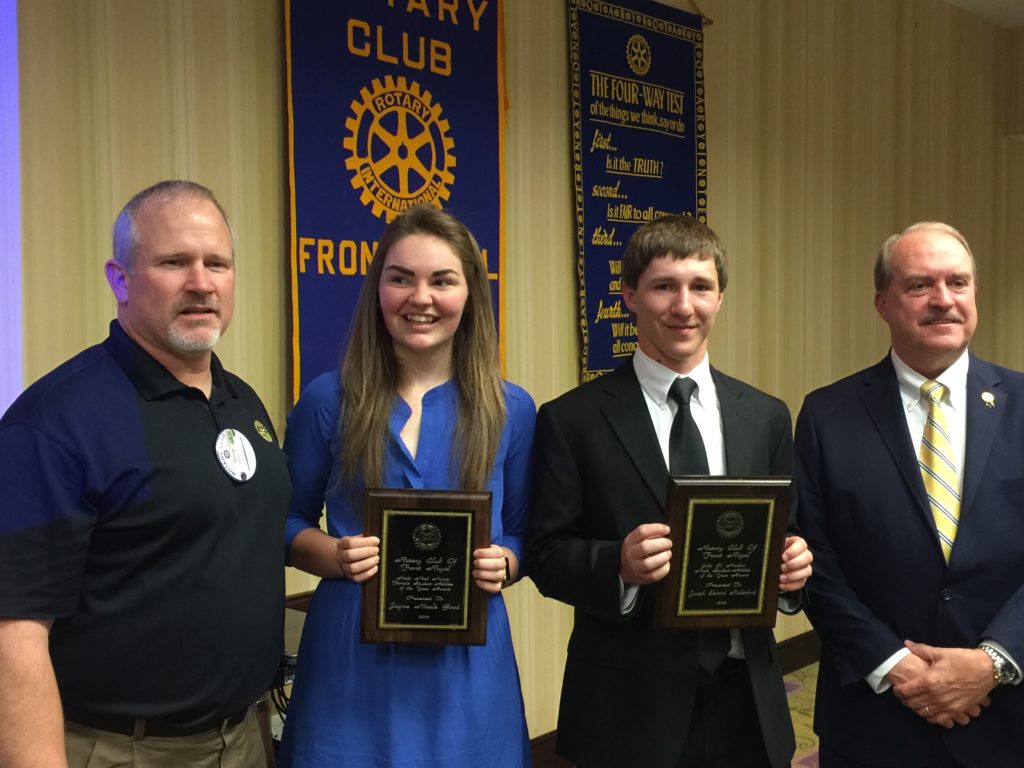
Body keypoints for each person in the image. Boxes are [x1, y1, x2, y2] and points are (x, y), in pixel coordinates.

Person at [0, 180, 290, 768]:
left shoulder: (242, 403)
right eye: (173, 262)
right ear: (120, 278)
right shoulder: (55, 422)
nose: (201, 282)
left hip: (245, 739)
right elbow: (14, 631)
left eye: (217, 264)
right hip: (121, 750)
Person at [527, 214, 813, 768]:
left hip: (746, 694)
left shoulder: (767, 416)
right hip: (627, 701)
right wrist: (618, 564)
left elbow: (787, 531)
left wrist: (792, 572)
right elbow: (544, 552)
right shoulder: (572, 419)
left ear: (720, 298)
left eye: (701, 287)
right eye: (664, 286)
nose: (685, 306)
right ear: (630, 296)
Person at [277, 204, 535, 767]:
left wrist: (507, 562)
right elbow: (285, 523)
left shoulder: (510, 409)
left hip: (467, 664)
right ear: (378, 291)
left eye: (442, 280)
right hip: (351, 659)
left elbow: (522, 531)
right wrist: (333, 555)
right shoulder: (328, 400)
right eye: (401, 279)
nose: (421, 298)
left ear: (469, 295)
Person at [795, 221, 1024, 768]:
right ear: (883, 303)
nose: (943, 300)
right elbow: (812, 561)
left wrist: (992, 662)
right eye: (920, 285)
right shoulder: (827, 414)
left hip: (1008, 710)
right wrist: (895, 665)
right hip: (875, 713)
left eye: (959, 283)